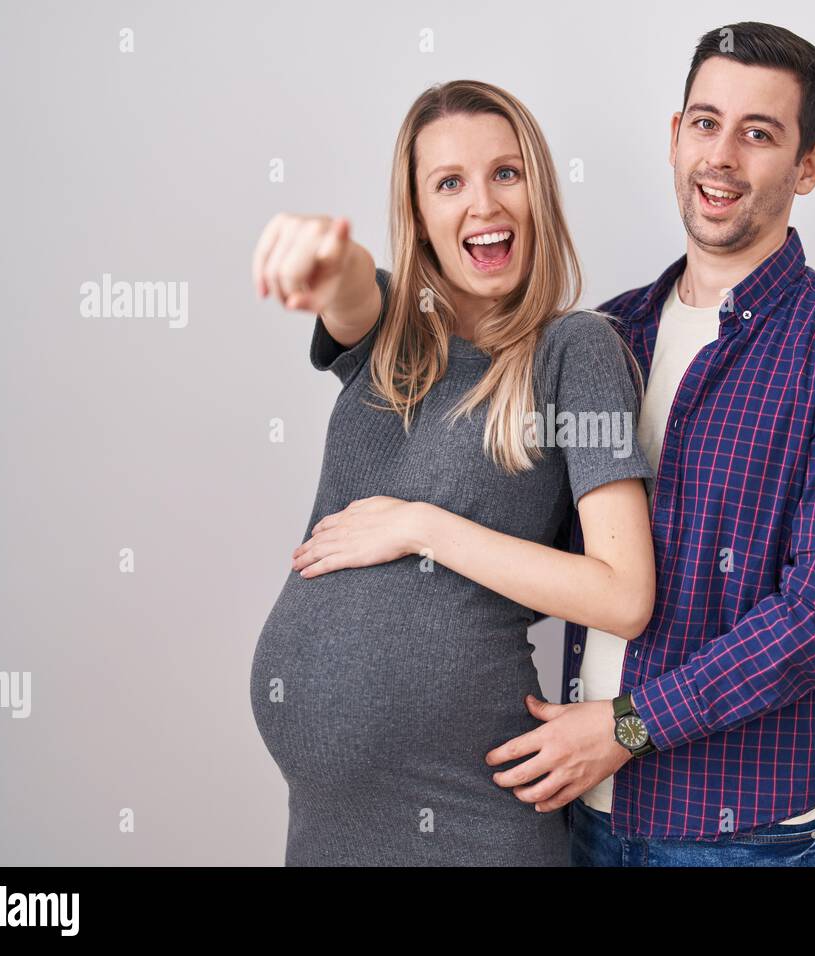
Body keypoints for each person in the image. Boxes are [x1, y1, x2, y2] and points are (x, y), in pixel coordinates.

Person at [484, 21, 815, 867]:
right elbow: (532, 536)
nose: (721, 156)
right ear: (674, 136)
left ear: (810, 167)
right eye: (705, 122)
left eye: (758, 134)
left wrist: (628, 728)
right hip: (580, 815)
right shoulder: (606, 336)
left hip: (755, 836)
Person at [247, 80, 656, 866]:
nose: (484, 204)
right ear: (420, 216)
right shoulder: (393, 335)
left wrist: (419, 526)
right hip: (329, 826)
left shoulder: (575, 352)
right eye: (449, 183)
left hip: (470, 818)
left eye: (507, 173)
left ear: (538, 189)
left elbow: (624, 593)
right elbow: (350, 283)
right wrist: (329, 257)